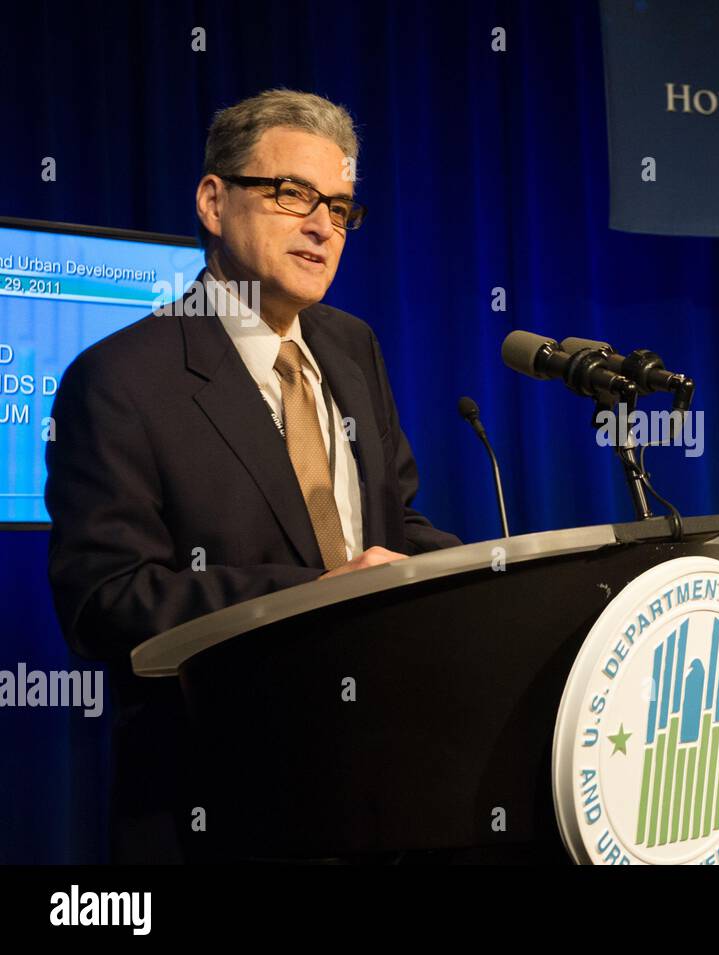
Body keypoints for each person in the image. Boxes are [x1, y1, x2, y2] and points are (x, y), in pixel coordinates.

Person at [45, 89, 460, 862]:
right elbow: (106, 600)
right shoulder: (121, 379)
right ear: (213, 200)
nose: (321, 226)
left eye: (339, 207)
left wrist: (485, 577)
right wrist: (316, 597)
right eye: (291, 193)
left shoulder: (351, 345)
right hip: (222, 807)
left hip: (384, 790)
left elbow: (391, 525)